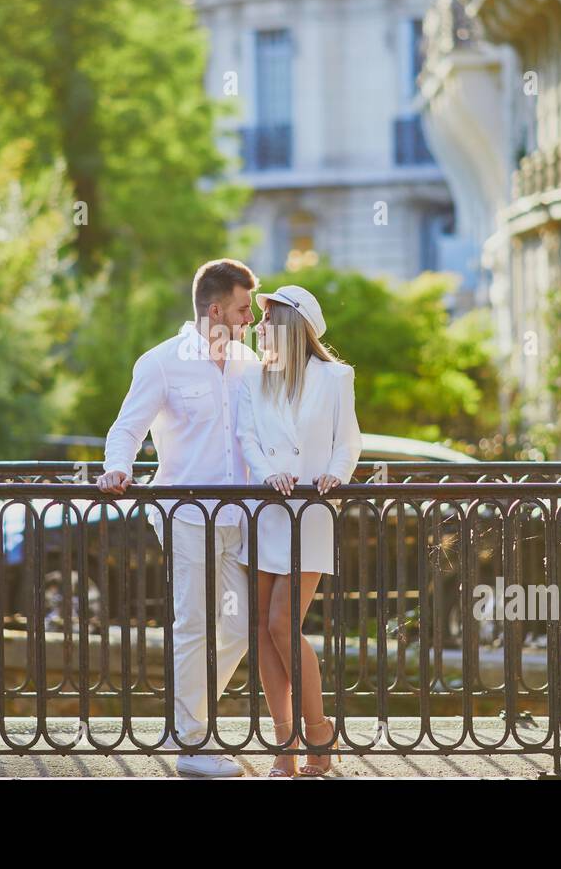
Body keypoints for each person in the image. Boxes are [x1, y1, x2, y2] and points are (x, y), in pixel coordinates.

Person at [97, 258, 259, 777]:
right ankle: (192, 745)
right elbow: (126, 430)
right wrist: (118, 470)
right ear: (216, 309)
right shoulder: (162, 362)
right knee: (193, 622)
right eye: (242, 308)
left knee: (239, 625)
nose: (250, 318)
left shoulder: (248, 362)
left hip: (243, 514)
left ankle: (183, 718)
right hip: (186, 514)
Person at [235, 284, 362, 777]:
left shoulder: (336, 377)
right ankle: (284, 745)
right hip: (266, 510)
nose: (259, 327)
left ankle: (319, 730)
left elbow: (347, 439)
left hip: (310, 513)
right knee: (263, 634)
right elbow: (247, 435)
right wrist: (267, 471)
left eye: (267, 319)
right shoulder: (255, 377)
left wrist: (337, 473)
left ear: (291, 325)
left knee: (282, 625)